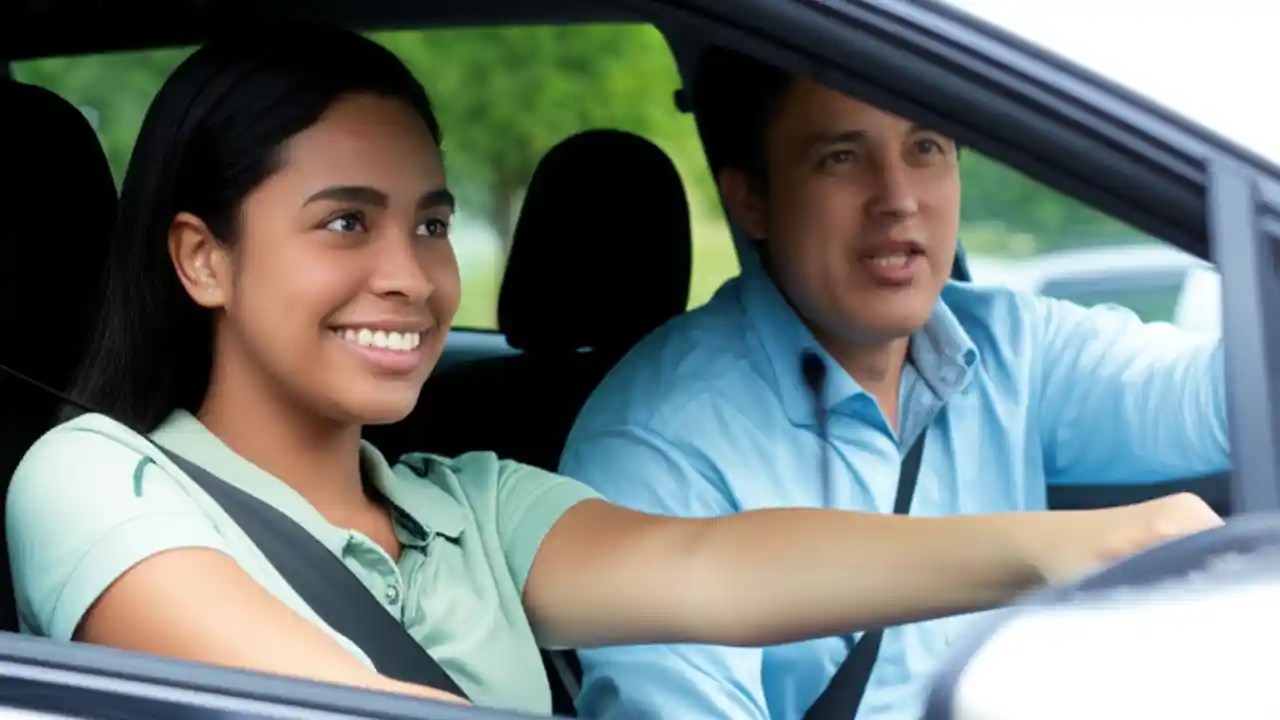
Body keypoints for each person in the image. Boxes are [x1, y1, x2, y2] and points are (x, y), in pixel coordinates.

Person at [4, 25, 1221, 717]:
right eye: (344, 224)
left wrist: (1063, 550)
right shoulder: (91, 479)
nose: (413, 278)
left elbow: (712, 563)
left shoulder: (460, 500)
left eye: (429, 224)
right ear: (202, 258)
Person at [558, 46, 1233, 719]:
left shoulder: (1013, 346)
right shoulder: (655, 442)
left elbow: (1219, 399)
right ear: (752, 201)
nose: (899, 199)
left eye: (927, 148)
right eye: (842, 157)